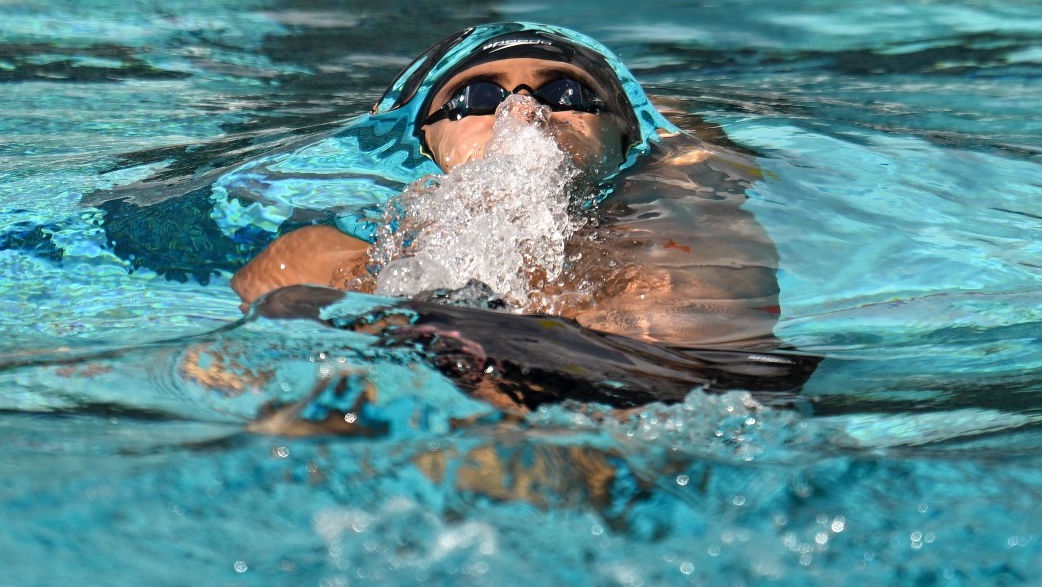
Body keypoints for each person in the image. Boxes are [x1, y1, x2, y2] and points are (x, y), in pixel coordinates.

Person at [229, 22, 783, 352]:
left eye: (565, 93)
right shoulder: (314, 258)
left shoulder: (679, 252)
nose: (522, 111)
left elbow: (708, 372)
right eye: (478, 100)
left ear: (623, 136)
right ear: (424, 142)